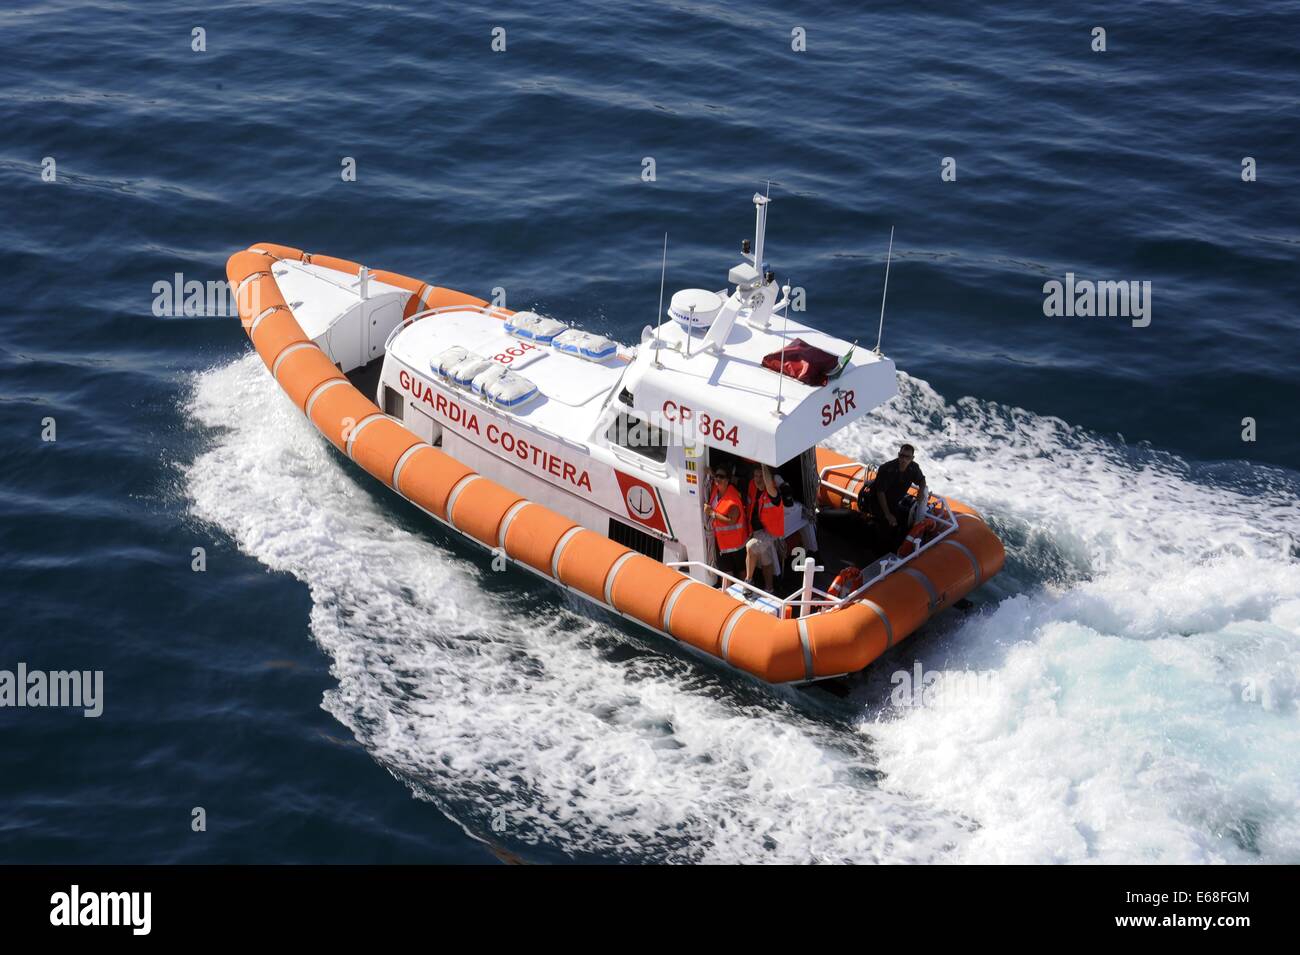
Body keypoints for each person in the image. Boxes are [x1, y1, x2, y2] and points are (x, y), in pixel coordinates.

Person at [866, 443, 926, 553]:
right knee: (886, 526)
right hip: (878, 502)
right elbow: (880, 492)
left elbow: (922, 480)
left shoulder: (913, 468)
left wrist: (921, 492)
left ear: (912, 458)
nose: (903, 459)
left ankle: (898, 548)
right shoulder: (886, 469)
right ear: (898, 454)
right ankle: (879, 553)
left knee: (902, 523)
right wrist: (888, 515)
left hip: (894, 501)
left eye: (907, 457)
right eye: (901, 455)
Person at [745, 463, 788, 592]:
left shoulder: (772, 492)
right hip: (757, 530)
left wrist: (763, 460)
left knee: (751, 546)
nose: (758, 479)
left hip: (771, 532)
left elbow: (768, 484)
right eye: (756, 476)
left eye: (761, 476)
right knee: (765, 558)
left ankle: (748, 582)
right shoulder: (752, 485)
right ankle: (769, 588)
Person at [704, 465, 748, 589]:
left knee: (741, 571)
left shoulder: (732, 498)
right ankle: (727, 594)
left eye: (721, 477)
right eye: (716, 476)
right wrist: (711, 474)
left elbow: (732, 521)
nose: (717, 479)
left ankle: (745, 591)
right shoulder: (716, 490)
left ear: (727, 480)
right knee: (726, 571)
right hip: (723, 543)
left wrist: (712, 513)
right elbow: (715, 480)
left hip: (736, 544)